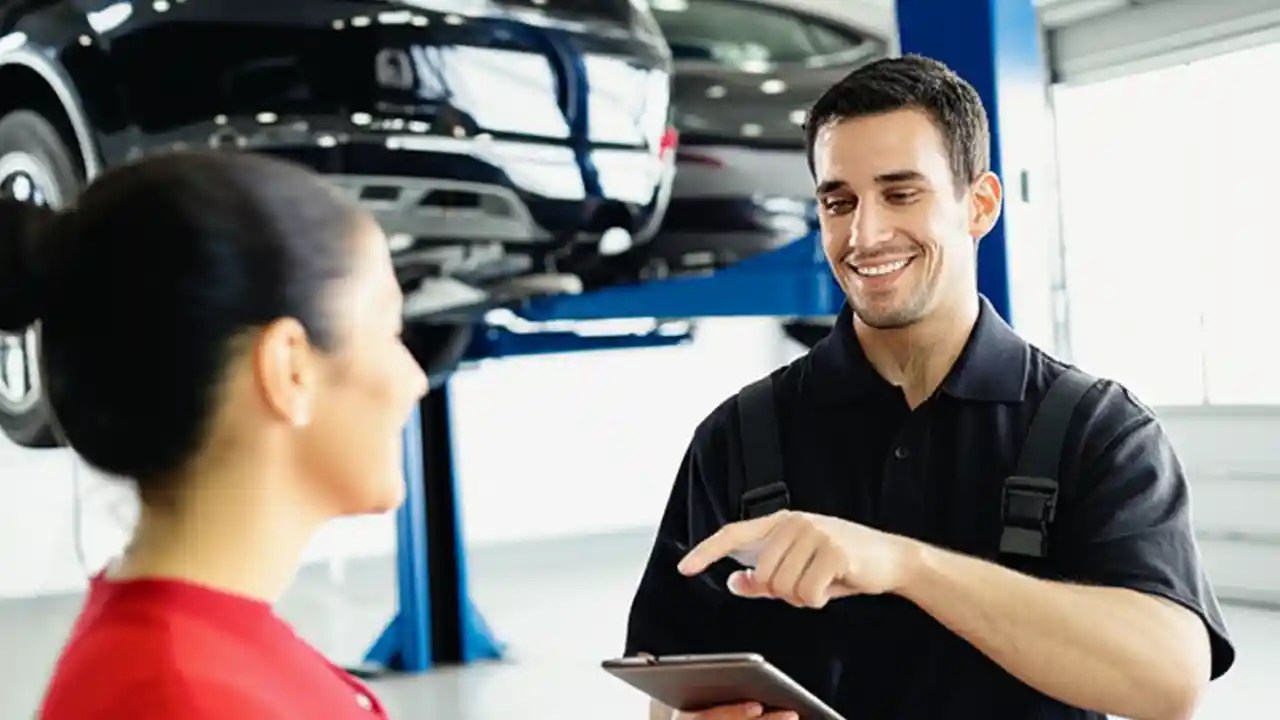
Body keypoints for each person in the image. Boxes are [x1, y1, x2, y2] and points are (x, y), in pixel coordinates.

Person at [623, 55, 1235, 720]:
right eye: (838, 202)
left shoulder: (1096, 430)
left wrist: (904, 565)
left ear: (980, 205)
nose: (864, 234)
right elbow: (669, 684)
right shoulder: (738, 437)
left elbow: (1170, 681)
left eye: (901, 194)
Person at [0, 150, 428, 718]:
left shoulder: (201, 650)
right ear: (289, 368)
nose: (416, 379)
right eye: (390, 331)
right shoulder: (183, 697)